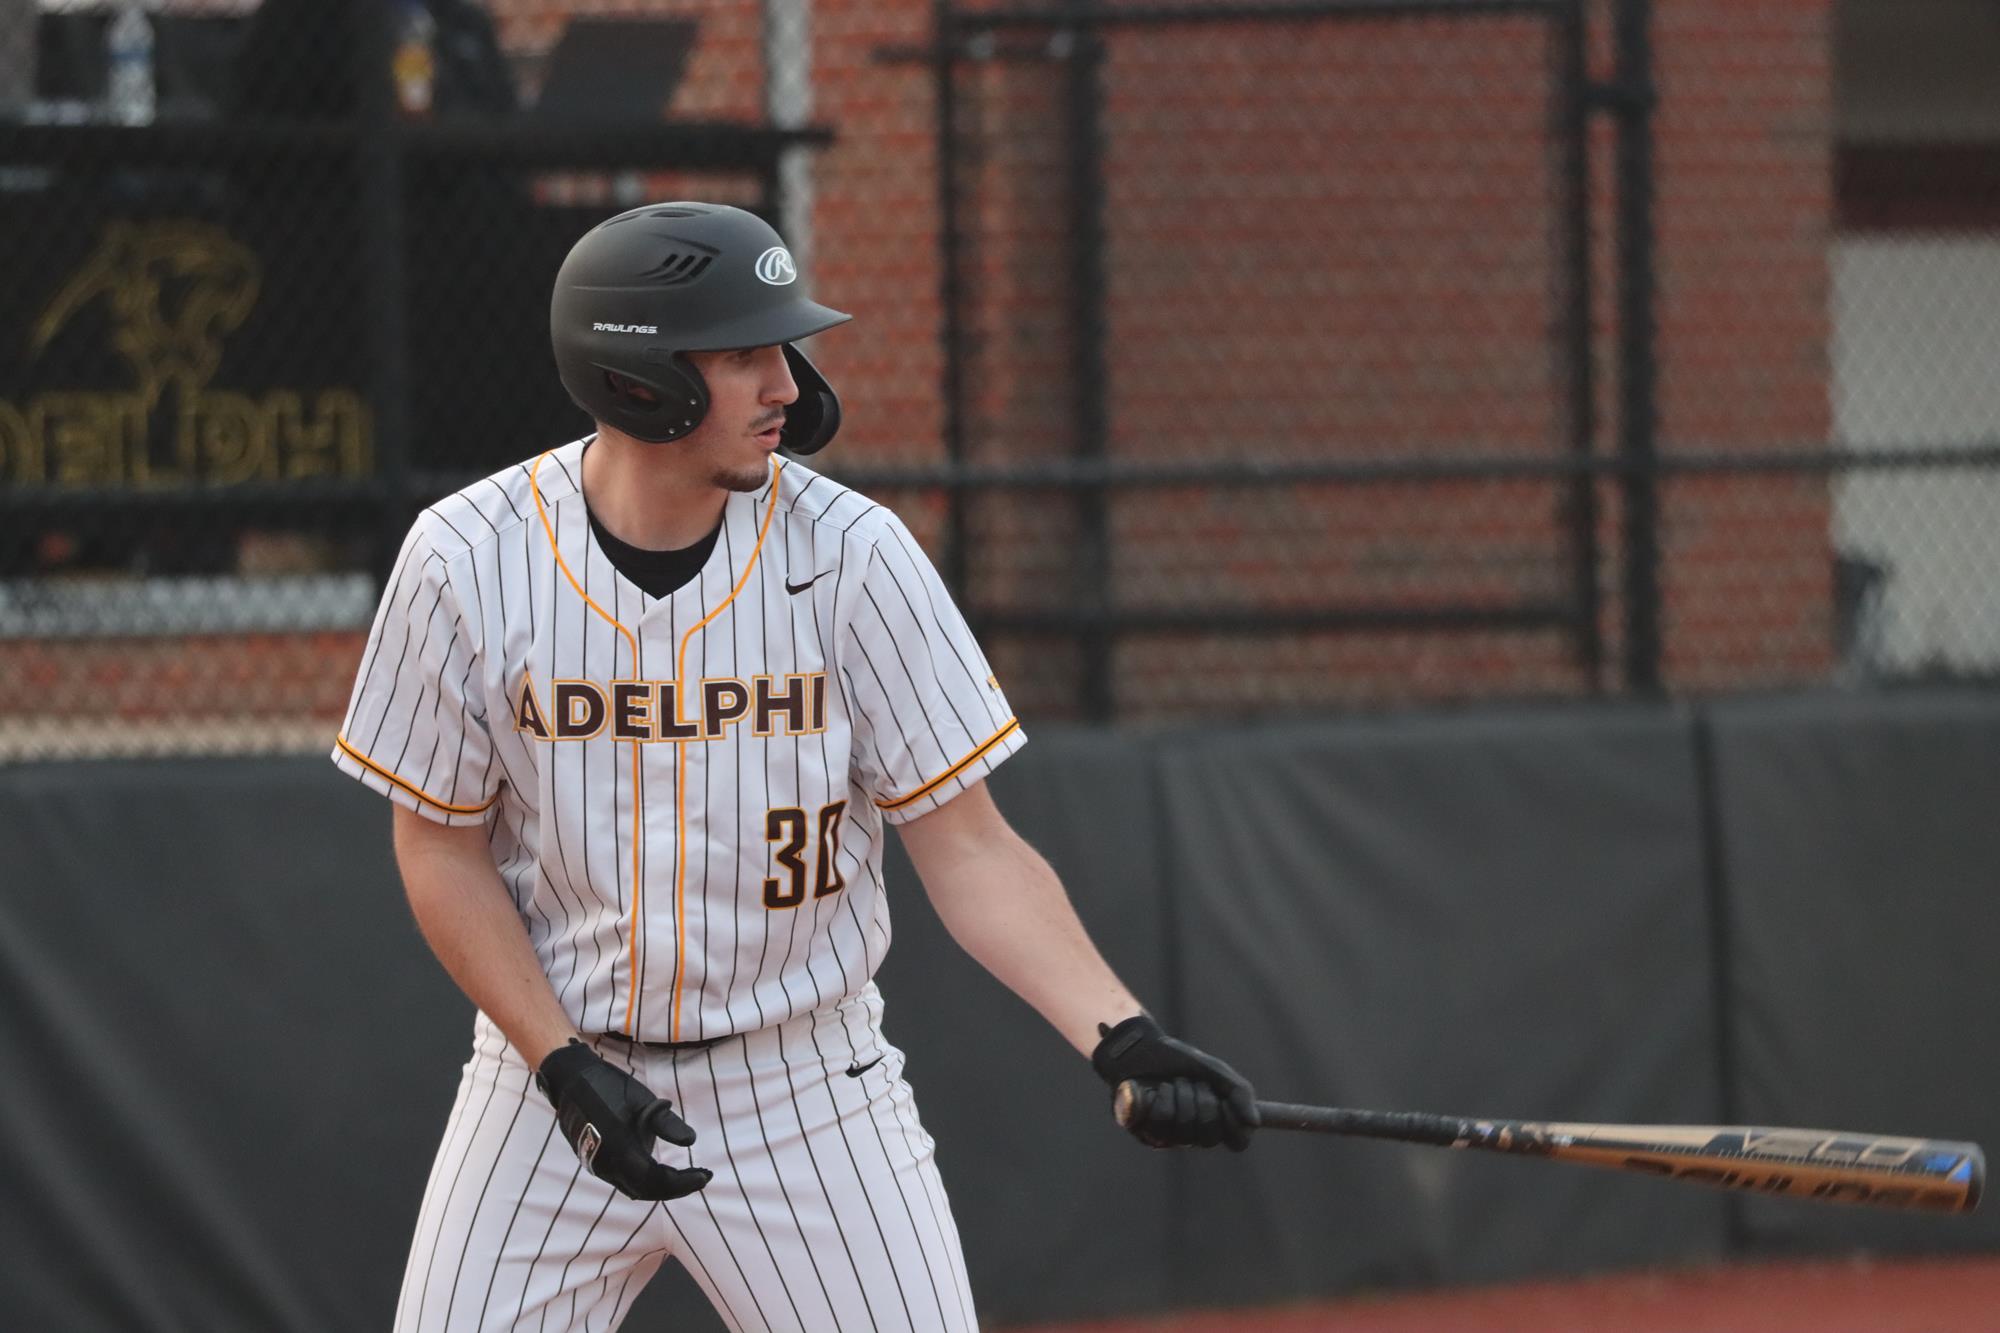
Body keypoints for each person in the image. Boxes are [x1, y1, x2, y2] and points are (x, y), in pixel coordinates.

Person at [332, 201, 1256, 1332]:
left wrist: (1117, 1032)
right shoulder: (465, 559)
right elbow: (437, 845)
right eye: (739, 353)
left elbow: (969, 847)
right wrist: (559, 1062)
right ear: (637, 377)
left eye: (782, 349)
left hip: (802, 1093)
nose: (783, 384)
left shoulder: (854, 558)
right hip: (548, 1092)